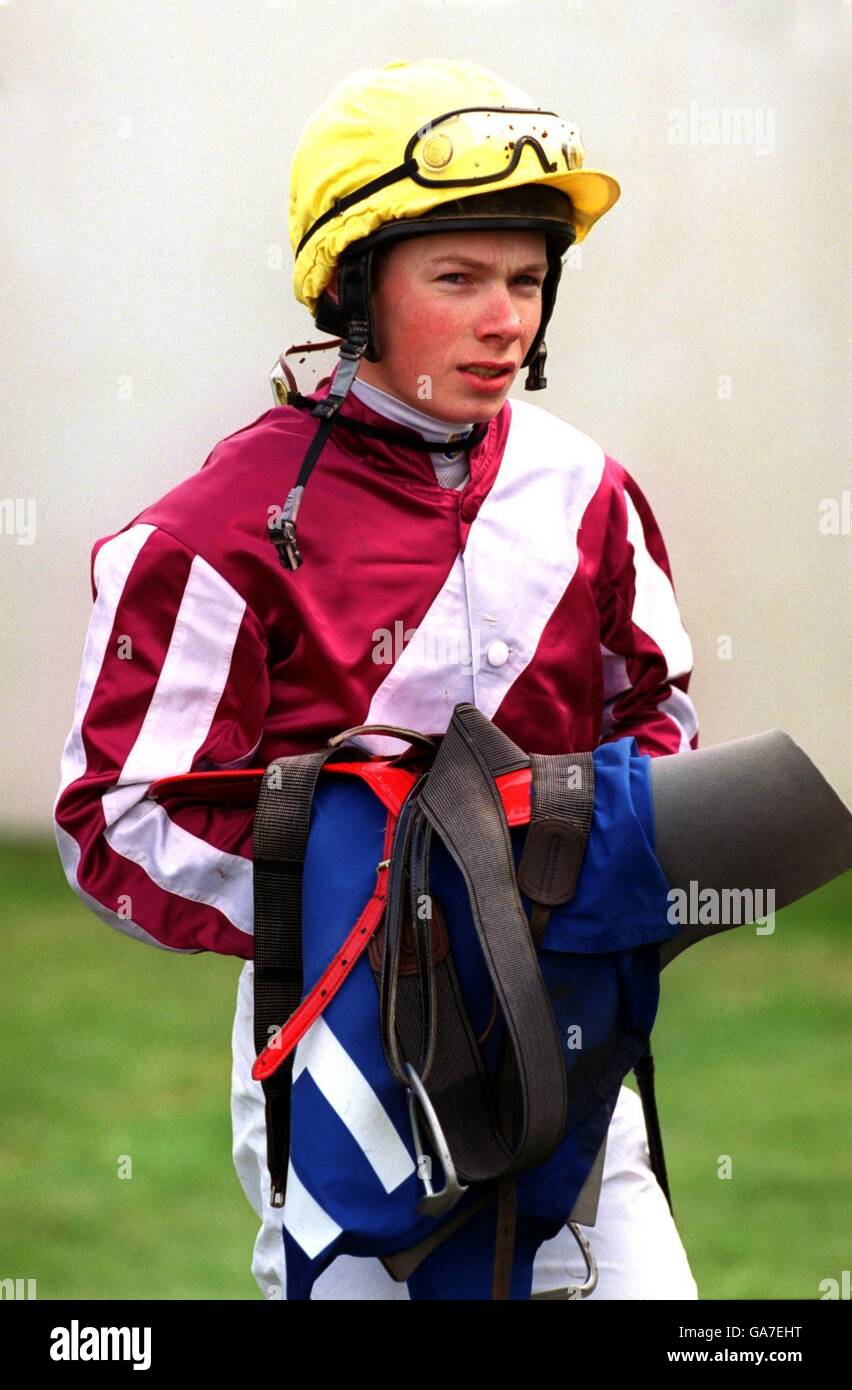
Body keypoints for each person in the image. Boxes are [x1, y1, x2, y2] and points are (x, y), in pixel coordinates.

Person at [53, 58, 700, 1299]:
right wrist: (392, 904)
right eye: (456, 279)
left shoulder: (588, 493)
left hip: (569, 1036)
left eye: (524, 279)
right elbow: (113, 819)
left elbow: (654, 723)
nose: (505, 318)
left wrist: (565, 888)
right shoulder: (214, 532)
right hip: (342, 1056)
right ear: (355, 291)